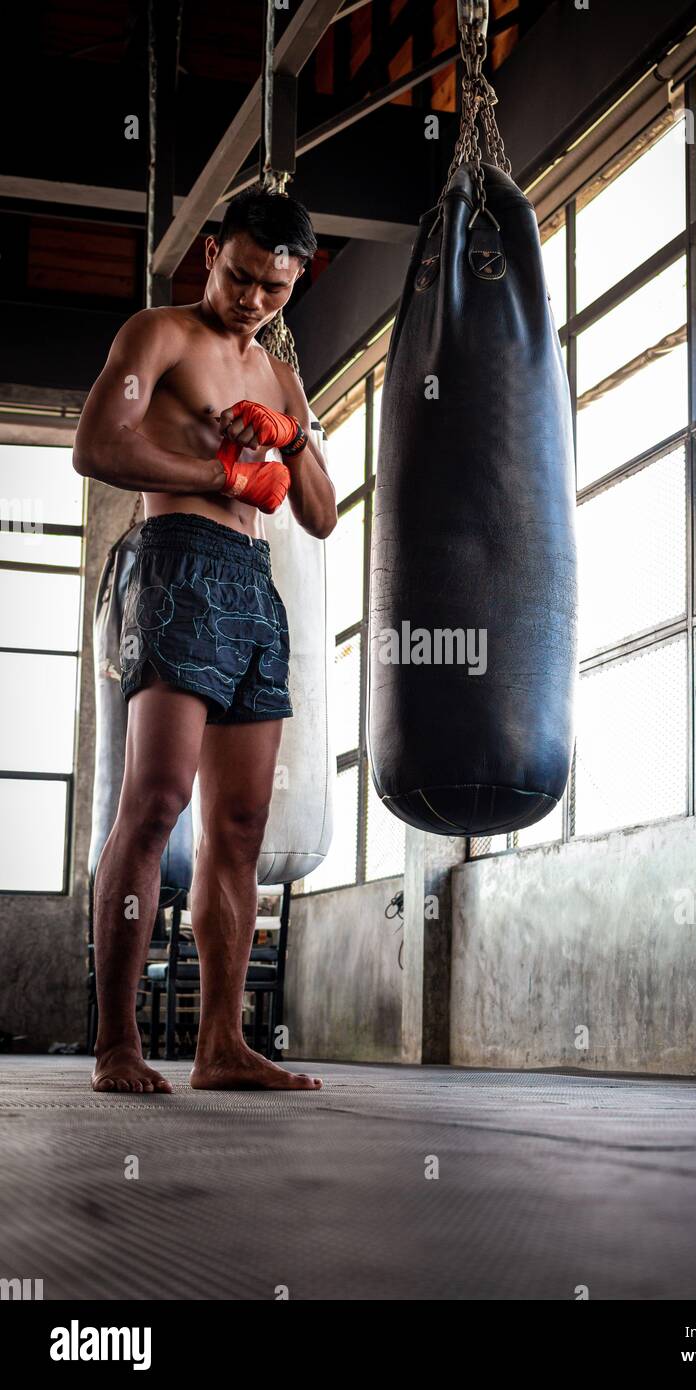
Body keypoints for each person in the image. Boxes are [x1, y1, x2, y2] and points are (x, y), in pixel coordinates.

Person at [73, 185, 338, 1094]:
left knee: (241, 826)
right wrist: (218, 470)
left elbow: (323, 513)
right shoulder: (160, 335)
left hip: (253, 590)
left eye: (276, 288)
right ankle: (116, 1046)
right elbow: (96, 446)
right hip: (177, 563)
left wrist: (290, 437)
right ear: (212, 251)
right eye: (241, 277)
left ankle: (220, 1047)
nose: (254, 301)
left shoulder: (278, 371)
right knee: (153, 804)